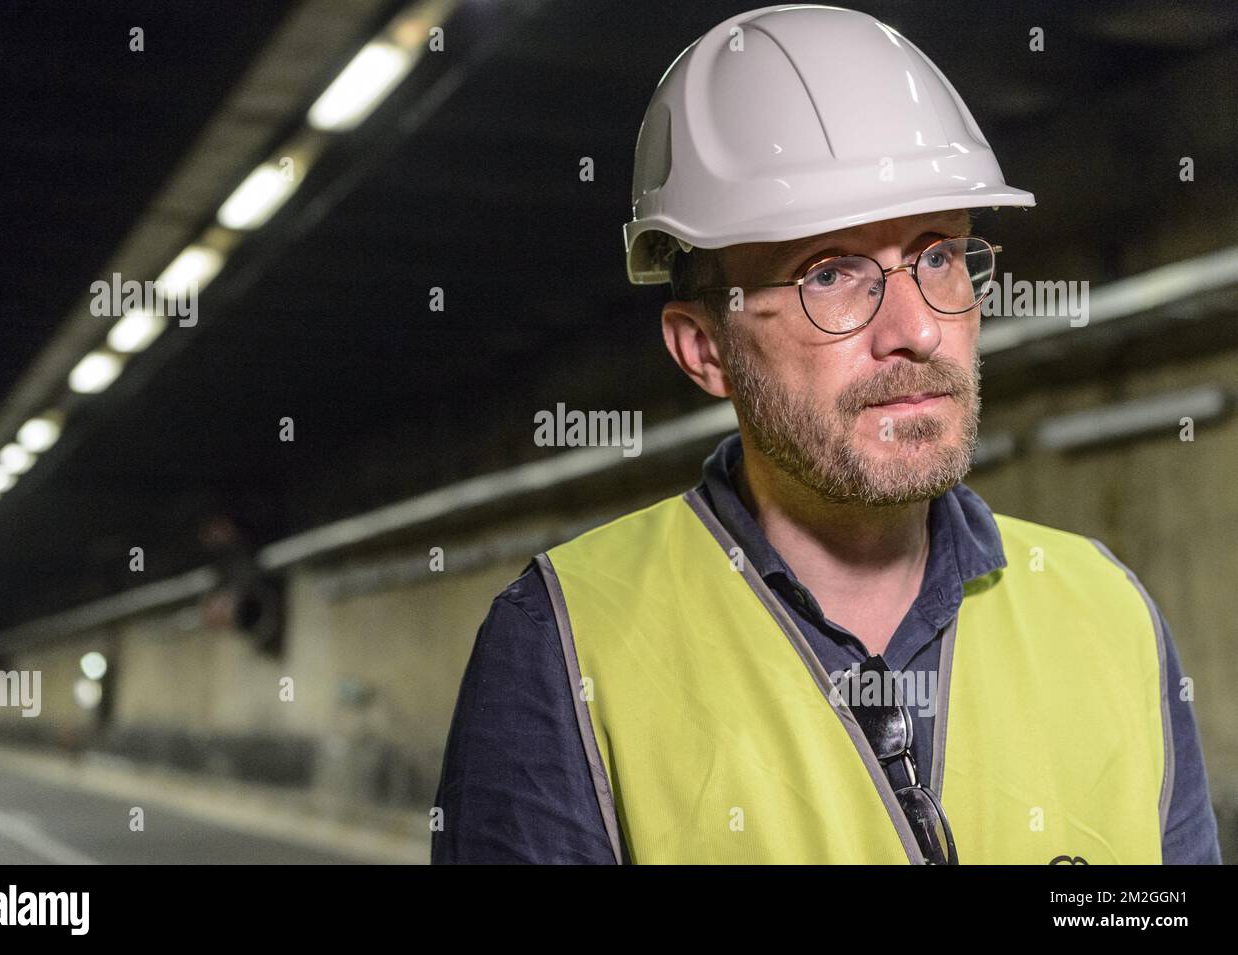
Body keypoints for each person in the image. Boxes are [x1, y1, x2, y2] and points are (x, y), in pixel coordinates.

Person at [432, 4, 1222, 864]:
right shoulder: (564, 644)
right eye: (832, 273)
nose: (916, 328)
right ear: (706, 349)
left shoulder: (1108, 614)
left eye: (937, 255)